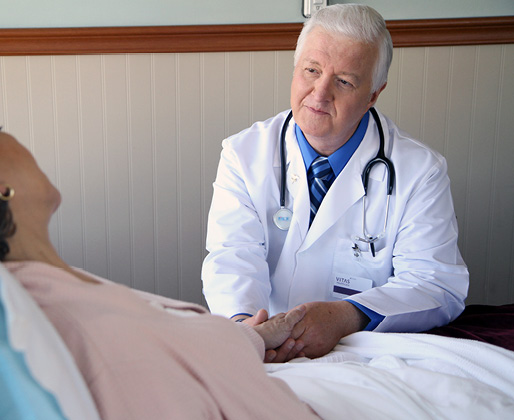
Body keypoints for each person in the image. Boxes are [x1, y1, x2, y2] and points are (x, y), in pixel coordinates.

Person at [0, 84, 320, 419]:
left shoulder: (51, 284)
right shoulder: (92, 339)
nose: (12, 136)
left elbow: (180, 343)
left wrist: (254, 338)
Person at [201, 3, 469, 361]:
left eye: (344, 81)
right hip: (266, 345)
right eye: (311, 70)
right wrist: (250, 330)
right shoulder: (243, 154)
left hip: (366, 350)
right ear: (295, 69)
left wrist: (346, 316)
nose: (320, 93)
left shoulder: (420, 170)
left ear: (373, 94)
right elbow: (232, 257)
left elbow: (436, 284)